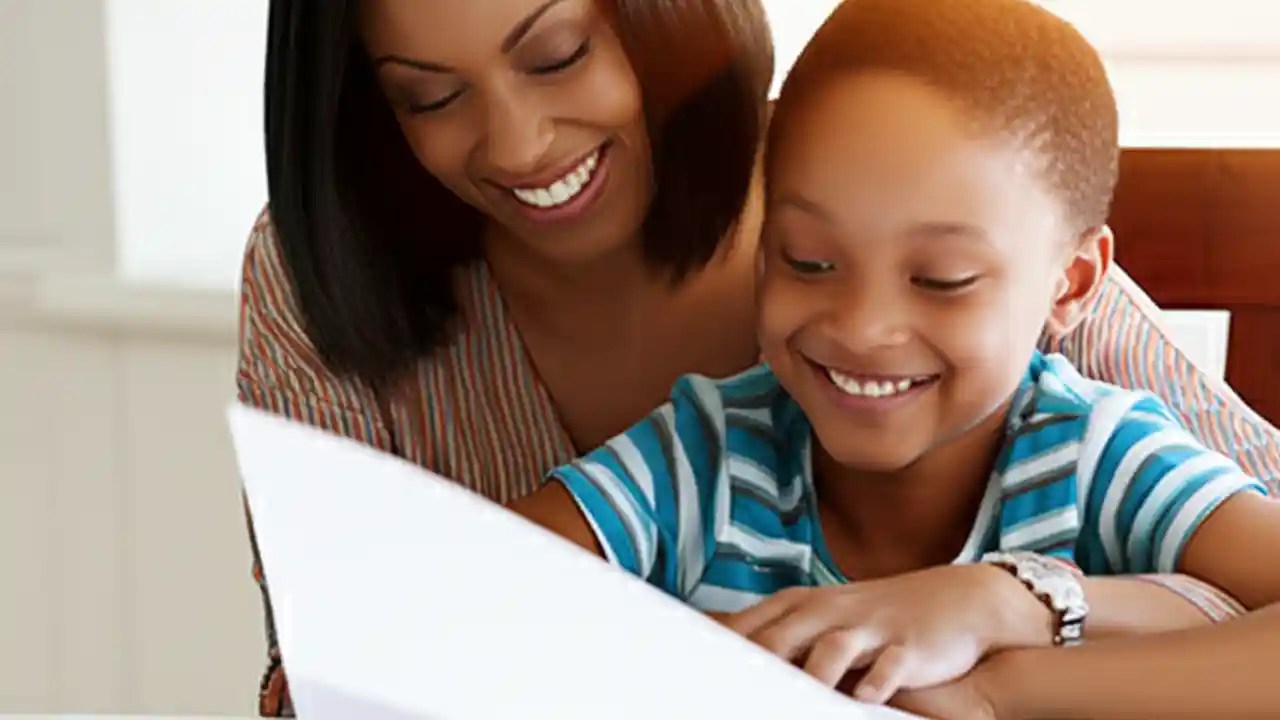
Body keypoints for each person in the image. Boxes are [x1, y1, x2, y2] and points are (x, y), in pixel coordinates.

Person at [238, 0, 1278, 716]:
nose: (863, 325)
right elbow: (426, 614)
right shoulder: (706, 451)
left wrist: (1014, 633)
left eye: (555, 54)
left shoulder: (1094, 447)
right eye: (809, 260)